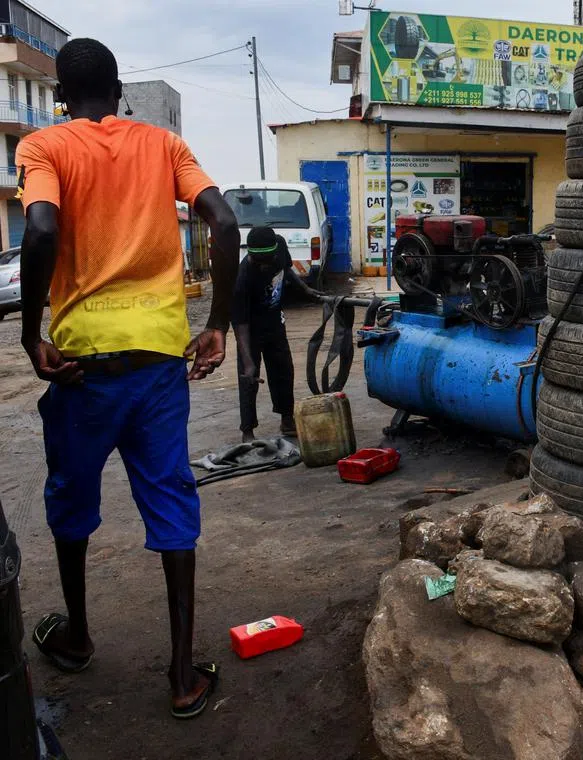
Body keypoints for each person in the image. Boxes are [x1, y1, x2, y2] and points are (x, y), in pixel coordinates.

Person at [16, 39, 239, 718]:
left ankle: (79, 637)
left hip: (83, 369)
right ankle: (181, 678)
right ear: (119, 93)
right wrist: (218, 324)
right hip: (157, 369)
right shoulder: (165, 146)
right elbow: (225, 223)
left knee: (71, 502)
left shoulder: (43, 148)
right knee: (172, 506)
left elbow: (42, 230)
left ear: (61, 96)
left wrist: (32, 332)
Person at [233, 226, 323, 442]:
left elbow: (286, 270)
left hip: (275, 322)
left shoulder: (280, 246)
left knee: (283, 370)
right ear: (250, 255)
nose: (264, 266)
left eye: (267, 260)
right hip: (250, 331)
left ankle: (286, 419)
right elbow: (240, 323)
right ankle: (248, 430)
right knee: (249, 378)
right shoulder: (241, 278)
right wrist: (247, 360)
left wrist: (305, 289)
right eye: (258, 262)